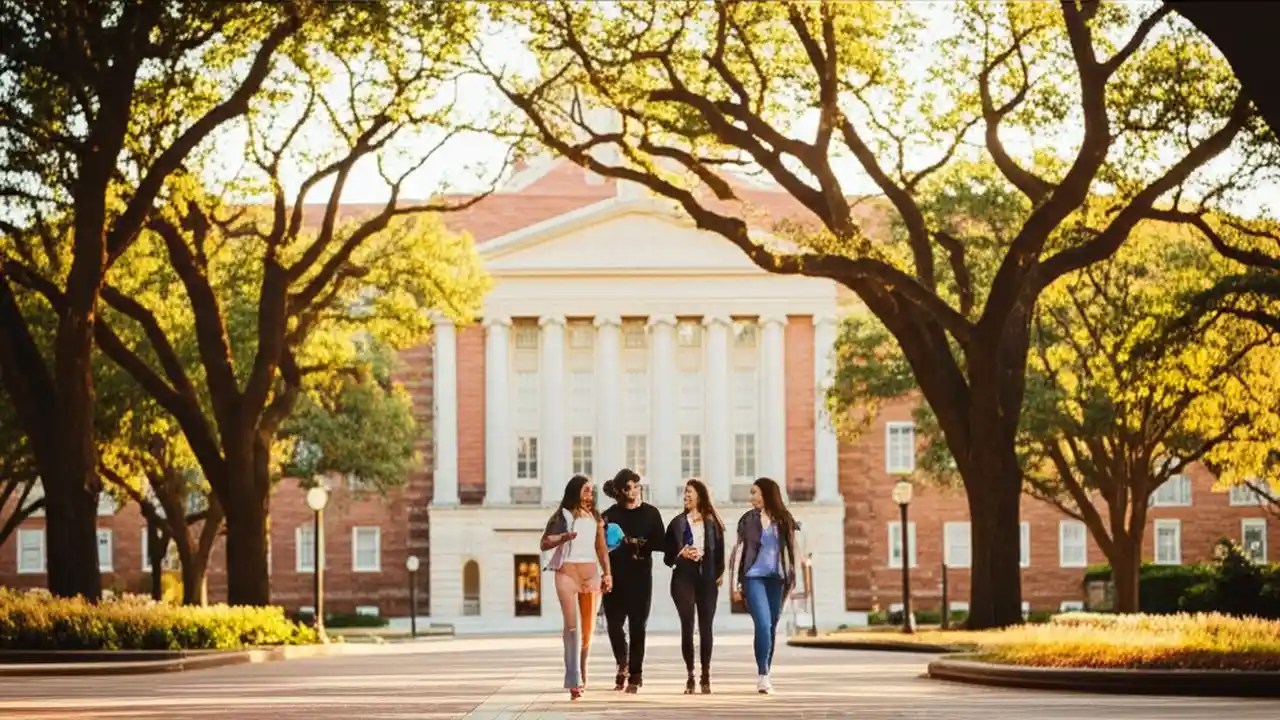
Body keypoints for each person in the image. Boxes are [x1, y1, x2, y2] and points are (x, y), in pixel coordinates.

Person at [541, 474, 613, 701]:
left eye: (591, 491)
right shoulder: (562, 515)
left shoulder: (596, 518)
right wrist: (563, 536)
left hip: (590, 575)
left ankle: (583, 672)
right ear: (575, 491)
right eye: (585, 490)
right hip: (567, 574)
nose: (589, 495)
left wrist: (608, 574)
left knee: (587, 631)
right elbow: (544, 542)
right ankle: (573, 679)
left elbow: (601, 549)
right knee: (572, 628)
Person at [729, 477, 798, 695]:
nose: (751, 497)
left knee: (771, 626)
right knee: (762, 623)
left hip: (777, 579)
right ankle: (763, 675)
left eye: (754, 492)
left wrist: (794, 580)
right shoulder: (748, 520)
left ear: (766, 494)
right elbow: (738, 553)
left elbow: (793, 551)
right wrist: (734, 585)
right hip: (753, 577)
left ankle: (767, 671)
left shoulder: (784, 519)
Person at [600, 468, 665, 693]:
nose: (635, 491)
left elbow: (662, 543)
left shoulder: (651, 514)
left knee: (638, 626)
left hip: (640, 576)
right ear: (620, 490)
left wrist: (640, 543)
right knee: (614, 624)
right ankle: (622, 662)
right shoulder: (609, 515)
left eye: (637, 486)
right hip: (615, 576)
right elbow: (600, 547)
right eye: (629, 487)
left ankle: (635, 675)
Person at [664, 478, 725, 695]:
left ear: (700, 494)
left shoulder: (713, 523)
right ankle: (690, 674)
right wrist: (681, 553)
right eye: (684, 493)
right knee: (687, 626)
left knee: (706, 627)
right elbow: (667, 556)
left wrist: (719, 574)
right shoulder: (677, 523)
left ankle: (706, 675)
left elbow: (720, 554)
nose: (686, 496)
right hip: (683, 577)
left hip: (707, 578)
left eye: (689, 492)